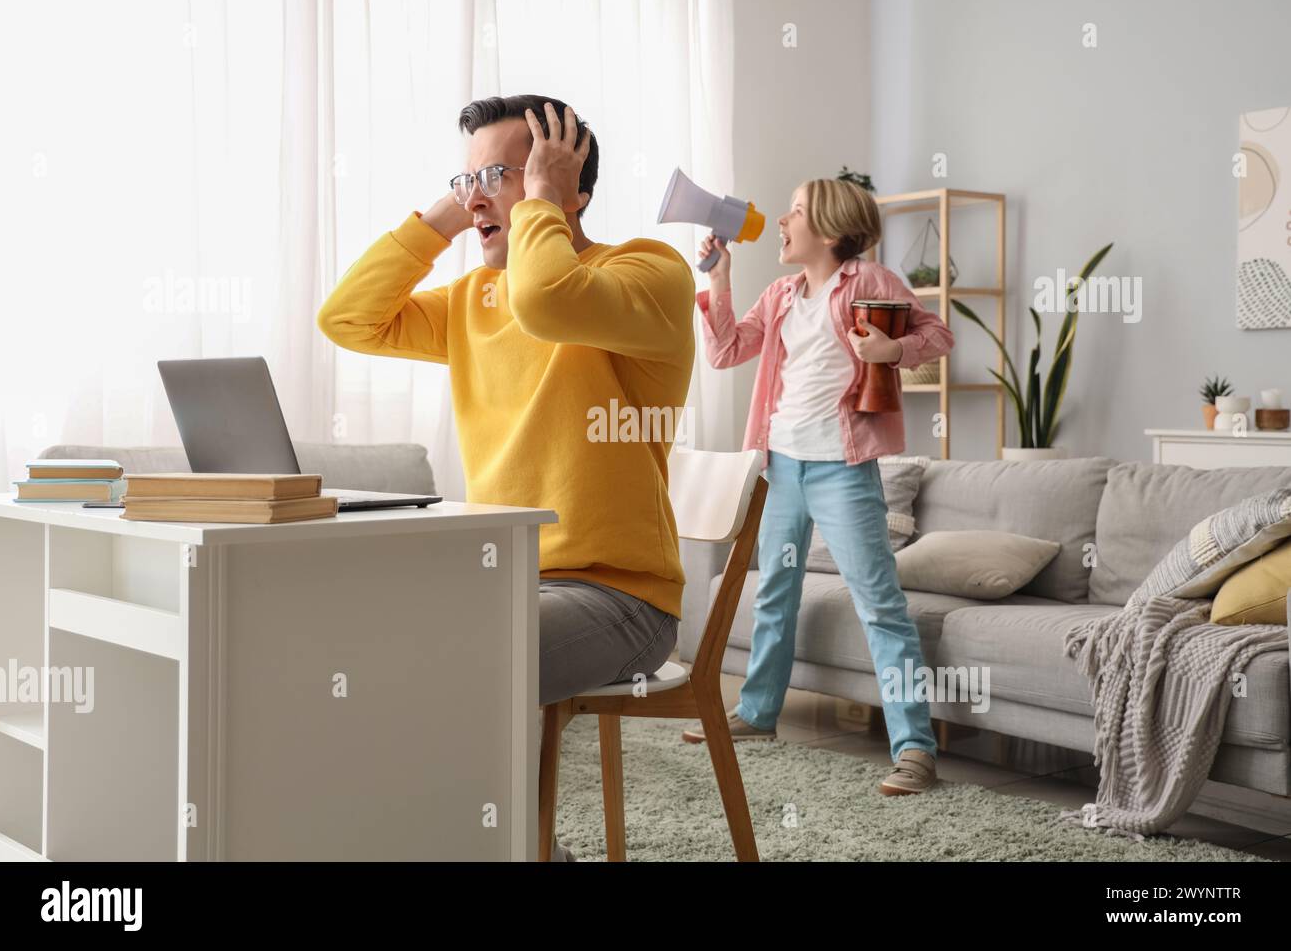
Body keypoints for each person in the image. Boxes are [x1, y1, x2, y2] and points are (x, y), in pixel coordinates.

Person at [317, 94, 695, 853]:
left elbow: (550, 299)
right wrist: (447, 217)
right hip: (504, 581)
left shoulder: (649, 274)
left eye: (504, 172)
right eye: (469, 177)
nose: (480, 192)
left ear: (572, 186)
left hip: (618, 598)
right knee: (359, 646)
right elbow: (346, 318)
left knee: (452, 671)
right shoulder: (474, 301)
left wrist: (542, 200)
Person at [681, 177, 953, 796]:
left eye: (795, 211)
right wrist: (718, 280)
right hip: (783, 467)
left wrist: (892, 349)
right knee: (775, 592)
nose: (781, 219)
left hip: (842, 468)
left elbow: (938, 337)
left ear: (830, 231)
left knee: (880, 606)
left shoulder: (872, 282)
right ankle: (757, 714)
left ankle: (915, 750)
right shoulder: (780, 294)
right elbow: (726, 352)